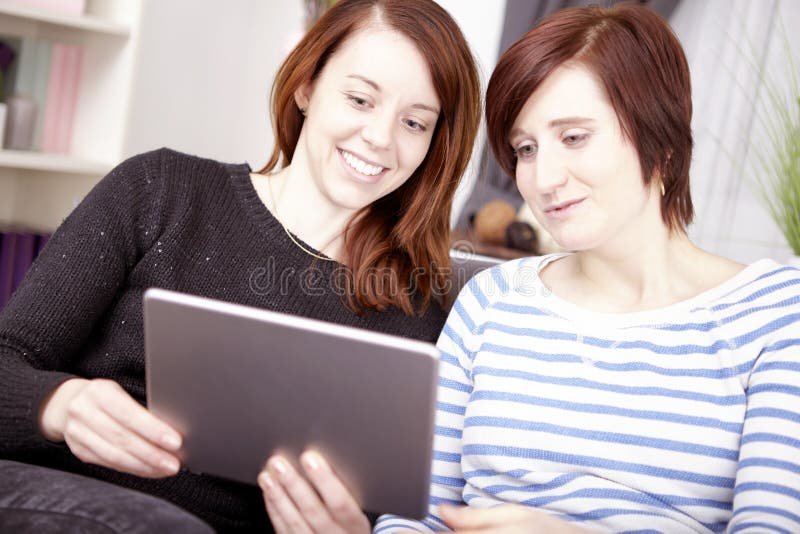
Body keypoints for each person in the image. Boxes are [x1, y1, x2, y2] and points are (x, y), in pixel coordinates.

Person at [262, 4, 800, 533]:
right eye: (524, 148)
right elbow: (415, 514)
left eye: (573, 138)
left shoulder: (776, 312)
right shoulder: (491, 301)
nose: (543, 178)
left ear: (658, 136)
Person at [0, 0, 481, 532]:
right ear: (306, 88)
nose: (380, 137)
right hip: (56, 500)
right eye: (360, 99)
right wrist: (59, 406)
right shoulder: (160, 190)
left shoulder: (419, 316)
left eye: (415, 122)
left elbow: (384, 505)